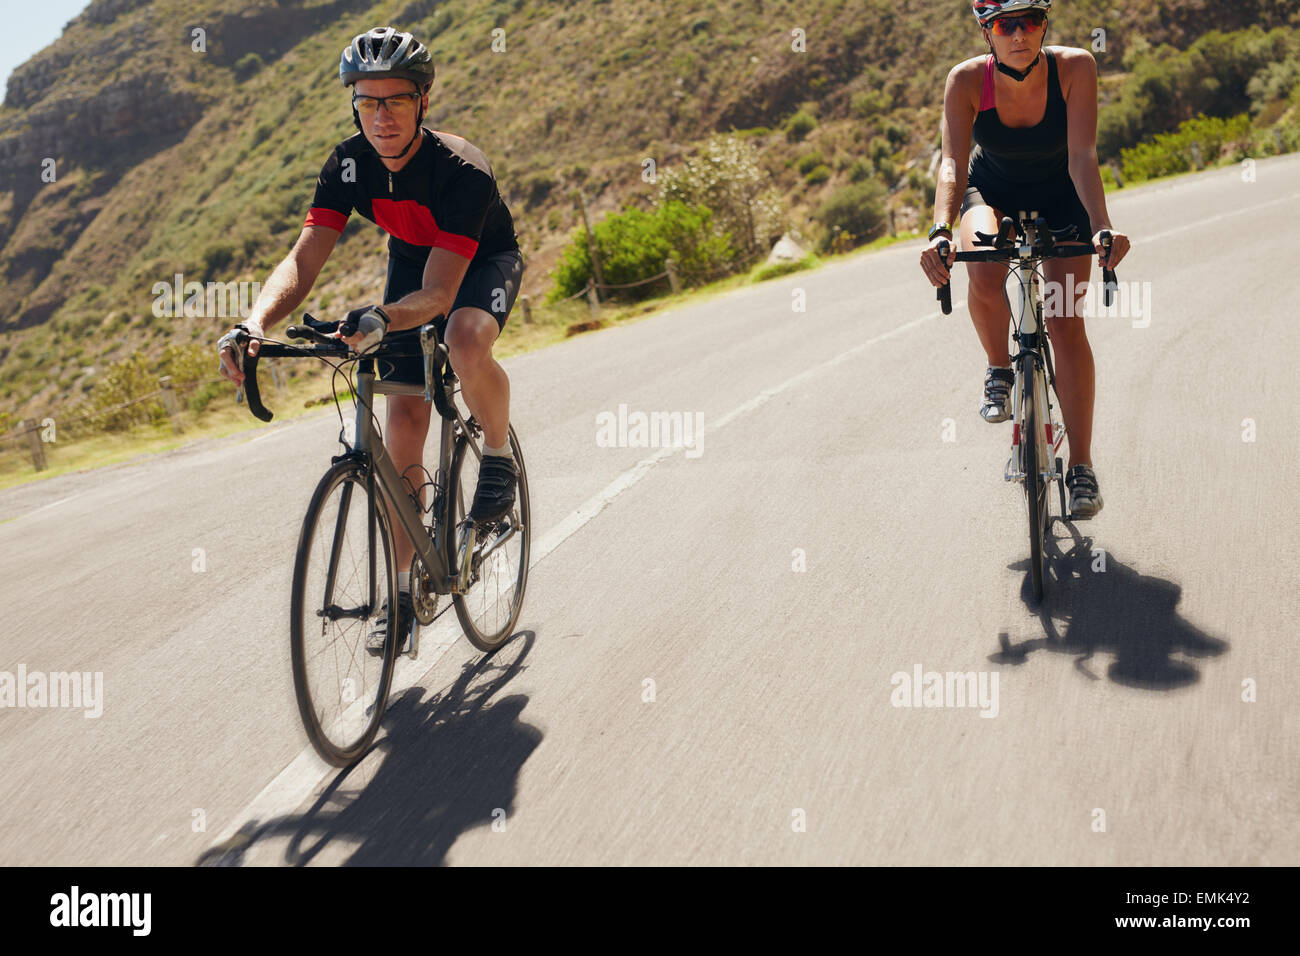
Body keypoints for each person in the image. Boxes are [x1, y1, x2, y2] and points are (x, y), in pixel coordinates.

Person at [217, 26, 524, 647]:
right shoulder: (349, 164)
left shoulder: (461, 171)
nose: (380, 117)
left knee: (464, 337)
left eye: (395, 101)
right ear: (353, 105)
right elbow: (303, 261)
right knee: (405, 420)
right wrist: (255, 323)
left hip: (479, 261)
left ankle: (496, 458)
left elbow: (440, 296)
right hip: (413, 263)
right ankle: (405, 592)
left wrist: (383, 318)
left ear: (423, 103)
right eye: (367, 102)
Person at [918, 0, 1130, 517]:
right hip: (989, 193)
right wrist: (941, 230)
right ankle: (999, 370)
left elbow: (1082, 157)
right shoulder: (966, 81)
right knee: (984, 262)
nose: (1020, 34)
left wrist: (1101, 227)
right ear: (987, 32)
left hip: (1063, 195)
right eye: (1006, 25)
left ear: (1043, 26)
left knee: (1064, 321)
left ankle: (1080, 467)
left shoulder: (1075, 67)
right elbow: (951, 162)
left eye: (1030, 22)